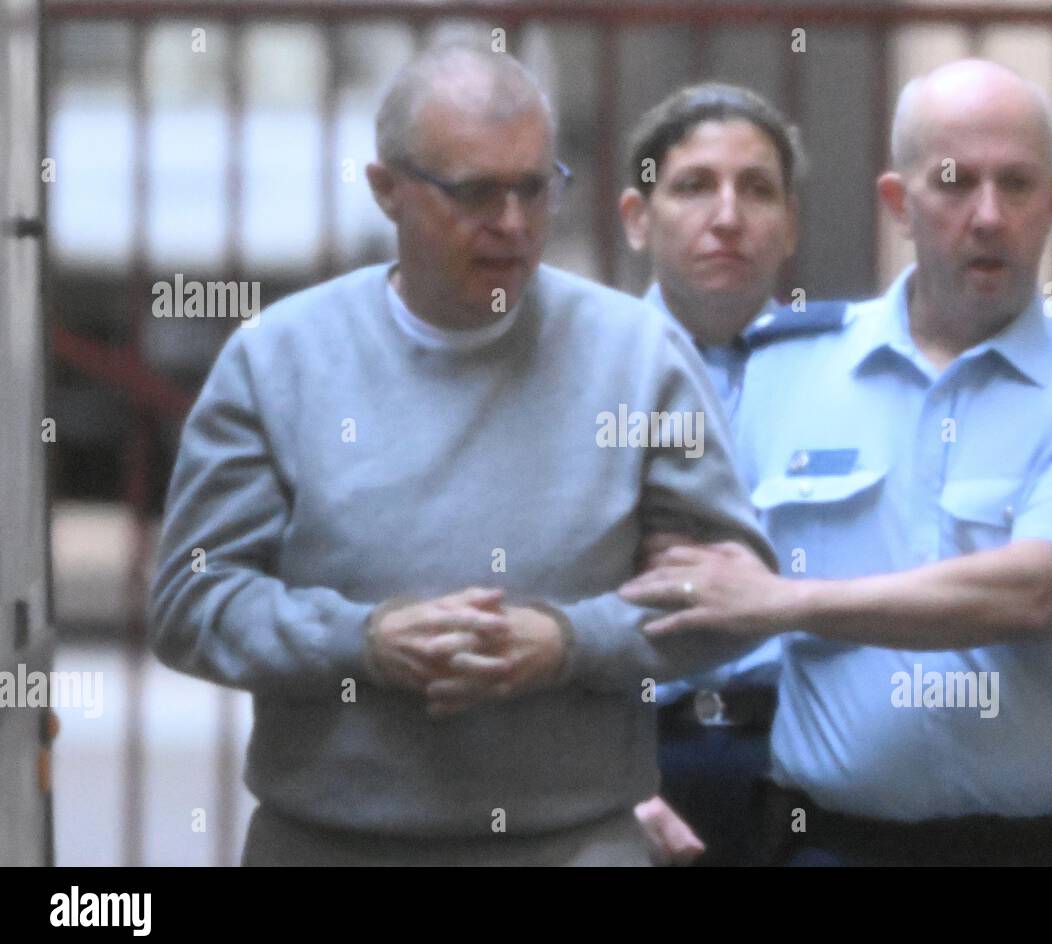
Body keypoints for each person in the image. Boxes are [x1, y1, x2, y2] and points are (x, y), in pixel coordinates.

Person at [148, 45, 773, 867]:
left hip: (572, 841)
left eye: (535, 187)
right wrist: (360, 642)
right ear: (387, 190)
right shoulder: (281, 360)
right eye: (476, 192)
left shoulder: (636, 356)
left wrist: (567, 643)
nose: (513, 223)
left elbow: (731, 592)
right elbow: (192, 601)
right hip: (330, 843)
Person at [620, 59, 1052, 866]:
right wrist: (618, 781)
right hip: (828, 843)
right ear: (897, 203)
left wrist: (787, 601)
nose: (988, 215)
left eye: (1017, 185)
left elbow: (1038, 590)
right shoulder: (781, 367)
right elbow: (655, 587)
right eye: (954, 182)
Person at [618, 83, 802, 866]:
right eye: (694, 186)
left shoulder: (853, 376)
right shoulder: (579, 370)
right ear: (637, 217)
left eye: (757, 189)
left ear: (789, 224)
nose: (728, 215)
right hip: (633, 752)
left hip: (803, 762)